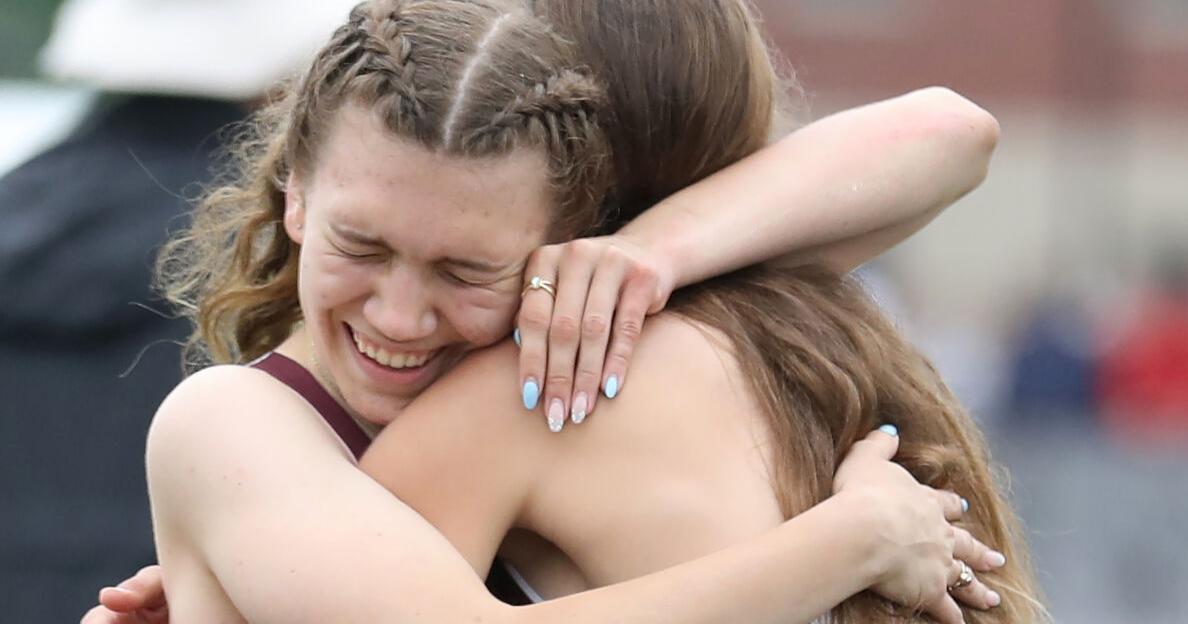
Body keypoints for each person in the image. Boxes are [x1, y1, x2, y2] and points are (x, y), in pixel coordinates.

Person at [85, 0, 1015, 622]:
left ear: (566, 229)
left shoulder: (587, 332)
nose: (403, 316)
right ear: (293, 195)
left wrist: (652, 252)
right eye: (361, 249)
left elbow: (954, 131)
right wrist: (851, 542)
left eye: (467, 269)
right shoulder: (233, 419)